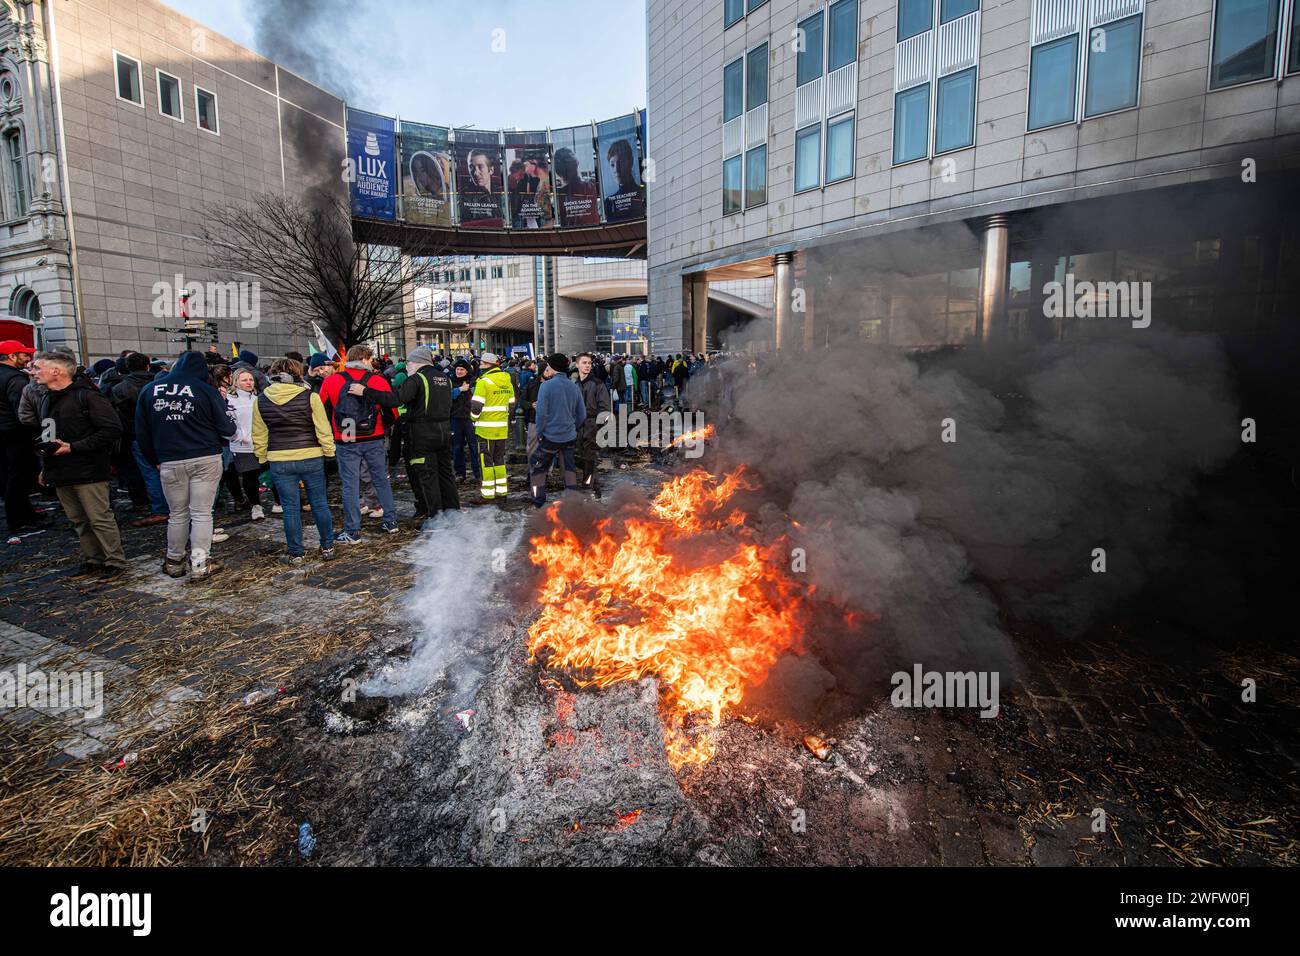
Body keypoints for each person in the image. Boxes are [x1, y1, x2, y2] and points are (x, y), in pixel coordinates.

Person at [135, 350, 235, 580]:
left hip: (169, 459)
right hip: (205, 456)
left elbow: (141, 432)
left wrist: (154, 460)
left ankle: (174, 560)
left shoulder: (150, 390)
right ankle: (200, 562)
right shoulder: (204, 390)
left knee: (177, 513)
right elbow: (227, 429)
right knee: (201, 512)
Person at [30, 351, 127, 576]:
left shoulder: (88, 397)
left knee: (99, 518)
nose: (33, 372)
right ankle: (93, 559)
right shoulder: (46, 398)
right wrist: (45, 466)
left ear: (57, 371)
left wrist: (73, 447)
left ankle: (114, 561)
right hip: (61, 471)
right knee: (78, 520)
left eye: (37, 367)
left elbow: (112, 430)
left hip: (89, 470)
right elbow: (48, 436)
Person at [347, 346, 457, 526]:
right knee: (445, 475)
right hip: (444, 431)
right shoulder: (444, 378)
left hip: (423, 435)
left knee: (428, 477)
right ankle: (454, 514)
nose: (407, 366)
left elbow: (395, 399)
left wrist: (365, 391)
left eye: (408, 363)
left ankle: (436, 520)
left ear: (415, 362)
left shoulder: (416, 378)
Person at [252, 359, 335, 564]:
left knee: (290, 508)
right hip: (311, 455)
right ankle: (327, 546)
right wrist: (330, 454)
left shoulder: (261, 400)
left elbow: (259, 434)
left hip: (279, 459)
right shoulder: (310, 397)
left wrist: (262, 458)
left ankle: (296, 552)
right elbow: (323, 429)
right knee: (319, 503)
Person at [319, 344, 398, 542]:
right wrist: (381, 426)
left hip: (346, 434)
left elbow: (321, 410)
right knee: (380, 479)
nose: (373, 363)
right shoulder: (378, 380)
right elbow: (393, 411)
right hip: (374, 433)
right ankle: (391, 521)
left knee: (350, 484)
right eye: (371, 359)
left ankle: (352, 531)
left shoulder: (332, 381)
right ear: (363, 359)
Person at [0, 339, 43, 541]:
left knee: (9, 475)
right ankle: (19, 518)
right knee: (18, 476)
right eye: (24, 354)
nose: (28, 358)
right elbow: (22, 410)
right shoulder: (15, 379)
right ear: (11, 356)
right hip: (15, 432)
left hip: (4, 432)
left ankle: (22, 513)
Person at [529, 353, 585, 508]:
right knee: (569, 468)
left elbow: (541, 415)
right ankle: (573, 502)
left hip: (550, 437)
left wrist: (540, 433)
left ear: (553, 368)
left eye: (548, 366)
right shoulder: (573, 386)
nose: (547, 368)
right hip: (569, 436)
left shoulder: (546, 386)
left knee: (538, 469)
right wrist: (573, 427)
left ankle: (537, 502)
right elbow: (582, 414)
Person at [470, 352, 515, 501]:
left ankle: (487, 495)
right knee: (499, 461)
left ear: (488, 365)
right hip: (501, 429)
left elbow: (476, 406)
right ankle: (502, 493)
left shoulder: (483, 381)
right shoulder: (507, 379)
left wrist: (472, 419)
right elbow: (512, 404)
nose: (480, 366)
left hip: (485, 430)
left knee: (486, 463)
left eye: (482, 364)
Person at [225, 368, 264, 520]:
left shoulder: (258, 398)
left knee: (269, 473)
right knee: (250, 476)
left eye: (250, 379)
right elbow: (228, 422)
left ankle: (278, 502)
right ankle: (256, 506)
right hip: (242, 445)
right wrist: (239, 436)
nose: (248, 382)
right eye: (244, 380)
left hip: (261, 443)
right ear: (236, 382)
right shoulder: (230, 400)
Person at [572, 353, 611, 496]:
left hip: (592, 425)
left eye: (589, 363)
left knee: (589, 457)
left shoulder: (598, 384)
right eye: (584, 363)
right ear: (577, 365)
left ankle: (589, 487)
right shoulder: (575, 385)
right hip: (578, 426)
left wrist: (598, 428)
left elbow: (605, 409)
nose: (587, 365)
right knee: (580, 457)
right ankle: (593, 486)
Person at [449, 359, 480, 486]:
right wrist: (459, 390)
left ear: (467, 371)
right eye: (457, 369)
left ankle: (477, 473)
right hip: (455, 418)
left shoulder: (474, 382)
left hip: (470, 418)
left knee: (474, 447)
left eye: (462, 369)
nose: (459, 371)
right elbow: (445, 396)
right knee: (457, 448)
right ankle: (460, 473)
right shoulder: (450, 381)